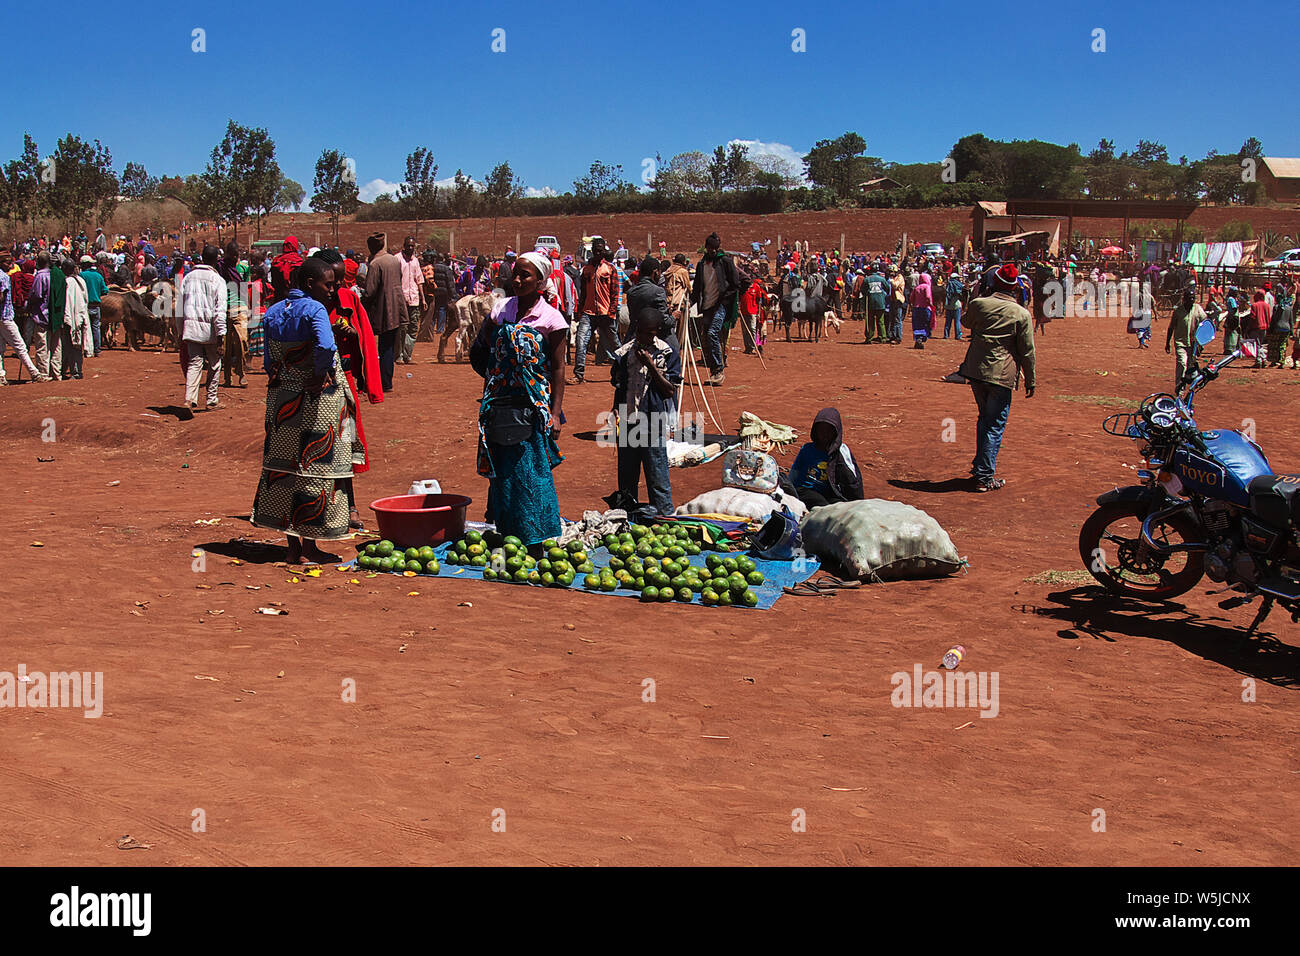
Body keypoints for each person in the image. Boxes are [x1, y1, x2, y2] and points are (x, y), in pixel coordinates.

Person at [250, 257, 358, 564]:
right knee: (314, 471)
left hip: (283, 400)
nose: (332, 290)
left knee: (284, 472)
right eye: (328, 284)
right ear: (310, 284)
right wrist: (320, 373)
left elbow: (269, 359)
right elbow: (325, 346)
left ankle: (292, 547)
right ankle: (309, 547)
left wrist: (284, 374)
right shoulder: (315, 310)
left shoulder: (273, 312)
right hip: (315, 402)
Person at [470, 251, 567, 549]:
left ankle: (534, 536)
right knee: (500, 466)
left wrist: (555, 412)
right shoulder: (501, 310)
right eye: (516, 273)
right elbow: (482, 346)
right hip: (500, 401)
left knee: (530, 469)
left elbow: (559, 367)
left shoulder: (551, 318)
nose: (518, 280)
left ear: (540, 280)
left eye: (525, 275)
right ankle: (502, 527)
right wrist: (495, 377)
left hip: (532, 406)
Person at [317, 250, 382, 531]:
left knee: (346, 441)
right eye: (332, 281)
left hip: (343, 381)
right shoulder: (310, 305)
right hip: (316, 380)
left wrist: (351, 335)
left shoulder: (348, 299)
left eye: (340, 281)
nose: (337, 288)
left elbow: (364, 337)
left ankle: (350, 505)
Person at [957, 263, 1036, 493]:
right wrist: (1030, 379)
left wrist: (980, 296)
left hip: (976, 372)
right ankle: (984, 476)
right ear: (1015, 287)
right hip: (1002, 375)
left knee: (985, 420)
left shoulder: (979, 304)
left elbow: (965, 322)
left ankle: (980, 467)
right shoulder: (1021, 313)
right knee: (994, 425)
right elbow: (1027, 350)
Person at [610, 307, 682, 516]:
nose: (644, 338)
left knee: (656, 471)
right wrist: (616, 407)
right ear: (636, 329)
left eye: (650, 333)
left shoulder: (666, 353)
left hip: (653, 420)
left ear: (657, 331)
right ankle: (626, 516)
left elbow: (669, 390)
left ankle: (664, 516)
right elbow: (619, 385)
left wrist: (651, 366)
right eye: (641, 332)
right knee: (627, 473)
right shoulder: (624, 353)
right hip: (628, 420)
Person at [179, 245, 228, 413]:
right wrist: (221, 335)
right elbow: (219, 311)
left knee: (194, 363)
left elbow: (180, 306)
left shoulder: (188, 278)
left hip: (191, 328)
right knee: (214, 364)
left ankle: (189, 399)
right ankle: (211, 400)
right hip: (211, 331)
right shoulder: (217, 280)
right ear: (216, 260)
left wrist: (181, 331)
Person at [788, 407, 864, 509]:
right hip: (805, 490)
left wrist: (856, 504)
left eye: (829, 431)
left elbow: (852, 480)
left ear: (836, 432)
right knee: (822, 504)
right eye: (821, 430)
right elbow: (795, 472)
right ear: (815, 431)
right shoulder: (807, 449)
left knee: (839, 506)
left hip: (830, 492)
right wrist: (788, 491)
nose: (824, 434)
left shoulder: (841, 451)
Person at [690, 232, 739, 385]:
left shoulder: (725, 262)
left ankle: (719, 370)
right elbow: (697, 286)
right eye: (710, 248)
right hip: (706, 306)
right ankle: (714, 371)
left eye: (715, 248)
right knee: (705, 338)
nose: (712, 250)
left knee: (712, 333)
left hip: (721, 305)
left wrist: (725, 300)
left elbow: (735, 284)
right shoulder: (701, 264)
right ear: (706, 247)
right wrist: (690, 302)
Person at [362, 232, 407, 391]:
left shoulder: (375, 264)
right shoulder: (394, 260)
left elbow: (369, 291)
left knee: (382, 347)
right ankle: (387, 381)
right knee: (388, 345)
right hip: (396, 306)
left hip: (382, 309)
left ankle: (381, 382)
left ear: (372, 247)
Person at [573, 238, 620, 384]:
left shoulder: (610, 269)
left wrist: (612, 312)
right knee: (581, 342)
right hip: (588, 312)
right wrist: (580, 310)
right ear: (592, 251)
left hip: (605, 313)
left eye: (601, 250)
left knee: (615, 345)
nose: (598, 252)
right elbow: (583, 293)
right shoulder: (586, 270)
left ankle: (625, 369)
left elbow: (615, 292)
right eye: (596, 250)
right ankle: (579, 375)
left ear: (604, 251)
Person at [0, 252, 44, 383]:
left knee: (1, 348)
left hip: (3, 317)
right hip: (5, 317)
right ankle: (35, 373)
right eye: (7, 262)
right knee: (20, 346)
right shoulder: (3, 277)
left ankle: (1, 377)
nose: (10, 265)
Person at [219, 242, 249, 388]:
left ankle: (241, 373)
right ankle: (227, 377)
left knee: (242, 341)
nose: (234, 257)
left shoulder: (244, 268)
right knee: (226, 345)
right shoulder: (220, 267)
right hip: (223, 307)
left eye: (236, 255)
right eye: (232, 255)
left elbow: (245, 287)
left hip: (240, 307)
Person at [1166, 290, 1206, 390]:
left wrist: (1202, 342)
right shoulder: (1178, 311)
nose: (1191, 300)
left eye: (1193, 298)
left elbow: (1205, 323)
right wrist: (1167, 343)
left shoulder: (1198, 309)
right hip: (1181, 343)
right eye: (1189, 298)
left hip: (1194, 343)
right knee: (1182, 363)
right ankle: (1179, 388)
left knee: (1191, 366)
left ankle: (1191, 388)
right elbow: (1171, 328)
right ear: (1184, 299)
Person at [60, 258, 91, 380]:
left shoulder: (67, 282)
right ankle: (74, 370)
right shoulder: (81, 281)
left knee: (70, 345)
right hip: (81, 316)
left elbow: (67, 302)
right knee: (77, 345)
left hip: (72, 318)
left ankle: (75, 371)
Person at [398, 236, 425, 364]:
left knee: (413, 328)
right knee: (402, 327)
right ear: (404, 246)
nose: (410, 248)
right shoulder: (397, 259)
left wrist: (423, 298)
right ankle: (398, 354)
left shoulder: (416, 262)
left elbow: (419, 280)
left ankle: (407, 354)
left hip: (414, 299)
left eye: (412, 246)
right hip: (401, 299)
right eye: (408, 245)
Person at [79, 254, 107, 357]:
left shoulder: (81, 276)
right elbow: (105, 290)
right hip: (96, 306)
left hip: (85, 306)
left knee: (84, 329)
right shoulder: (98, 276)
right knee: (96, 328)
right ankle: (97, 350)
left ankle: (86, 350)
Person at [863, 263, 889, 343]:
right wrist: (882, 294)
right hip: (880, 302)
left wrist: (869, 293)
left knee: (870, 321)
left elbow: (863, 290)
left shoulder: (867, 279)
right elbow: (887, 288)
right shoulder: (881, 279)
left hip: (870, 302)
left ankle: (869, 338)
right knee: (880, 321)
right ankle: (883, 337)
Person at [911, 272, 934, 349]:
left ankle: (918, 338)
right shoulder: (927, 287)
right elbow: (928, 296)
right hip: (925, 308)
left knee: (917, 324)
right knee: (925, 324)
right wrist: (930, 304)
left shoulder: (916, 287)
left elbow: (911, 298)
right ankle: (922, 338)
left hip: (916, 309)